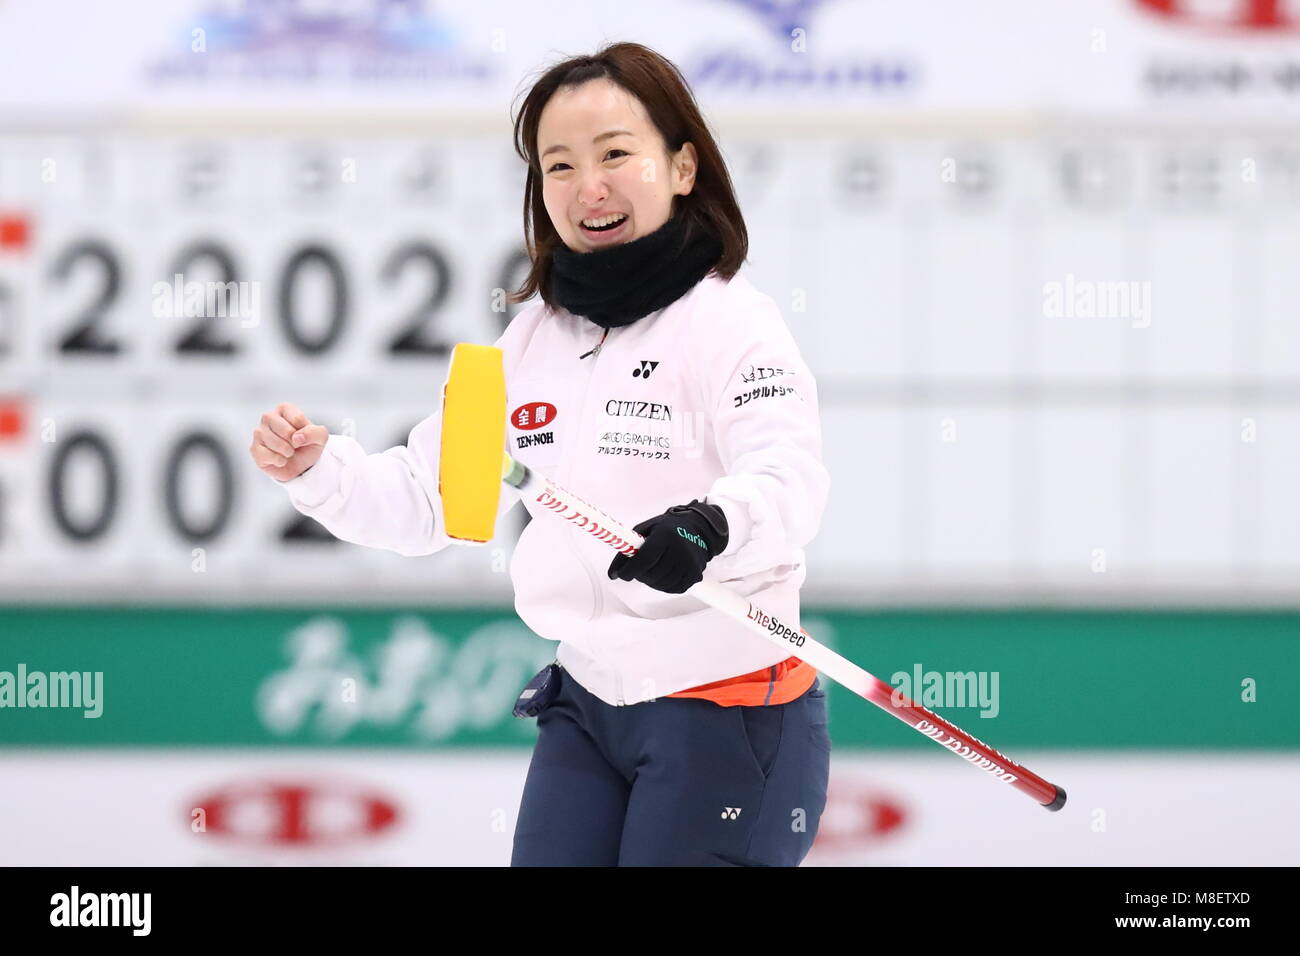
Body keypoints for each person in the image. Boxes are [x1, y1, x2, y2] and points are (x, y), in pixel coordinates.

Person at [249, 41, 832, 867]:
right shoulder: (531, 341)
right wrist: (319, 469)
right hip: (589, 707)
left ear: (683, 166)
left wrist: (711, 524)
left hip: (725, 710)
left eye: (616, 154)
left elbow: (789, 480)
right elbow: (432, 498)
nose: (587, 186)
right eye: (558, 166)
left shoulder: (732, 323)